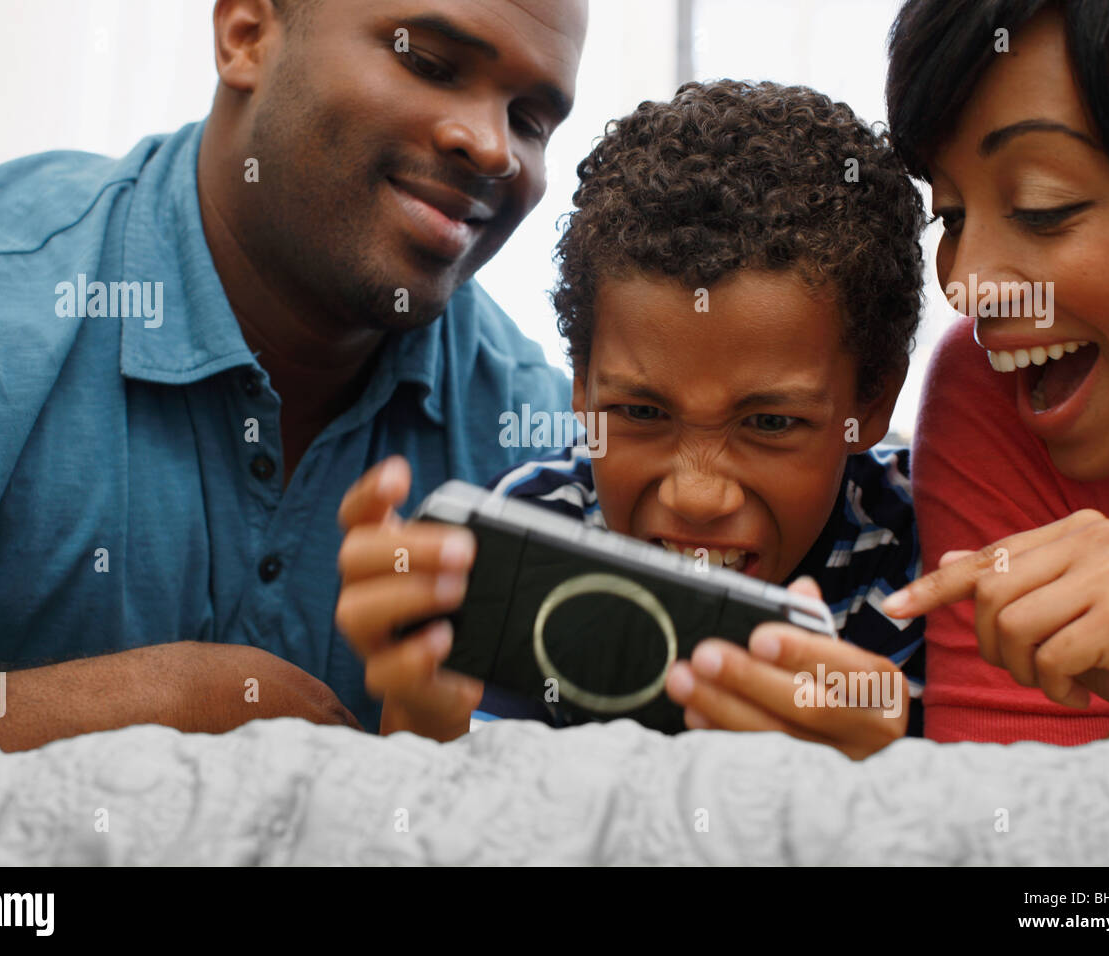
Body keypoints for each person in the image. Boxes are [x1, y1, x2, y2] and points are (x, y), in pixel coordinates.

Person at [0, 0, 587, 749]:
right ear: (247, 35)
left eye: (529, 122)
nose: (492, 149)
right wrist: (137, 709)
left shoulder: (543, 456)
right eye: (427, 63)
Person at [337, 80, 929, 758]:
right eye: (641, 412)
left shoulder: (924, 560)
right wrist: (423, 707)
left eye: (770, 424)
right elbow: (464, 816)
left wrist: (885, 773)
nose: (697, 497)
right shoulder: (538, 539)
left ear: (872, 400)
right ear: (582, 389)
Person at [880, 0, 1109, 743]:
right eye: (952, 215)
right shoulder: (992, 390)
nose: (966, 285)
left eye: (1042, 206)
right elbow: (1008, 830)